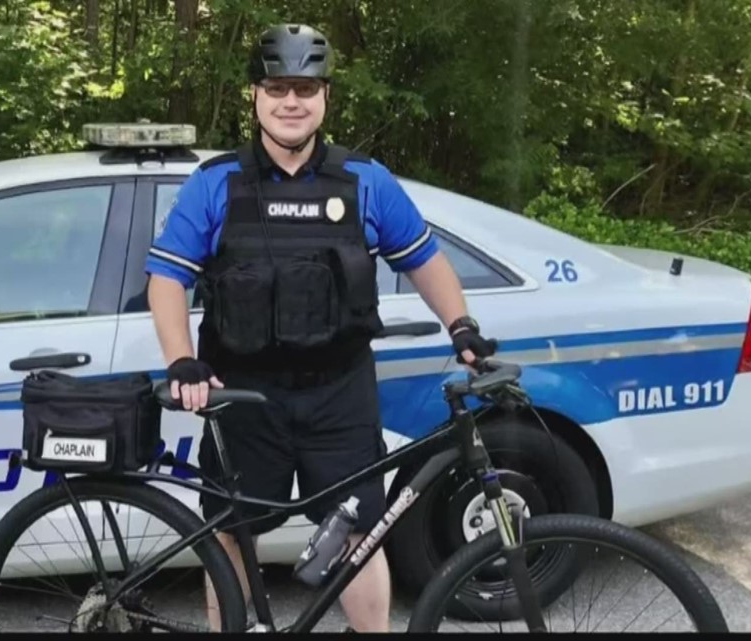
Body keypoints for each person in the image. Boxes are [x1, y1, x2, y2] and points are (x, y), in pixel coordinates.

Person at [144, 23, 495, 633]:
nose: (291, 101)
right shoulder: (215, 184)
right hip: (245, 393)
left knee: (360, 532)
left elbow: (425, 260)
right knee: (229, 530)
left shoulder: (365, 183)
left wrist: (461, 325)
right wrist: (181, 361)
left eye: (305, 88)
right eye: (278, 87)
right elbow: (166, 279)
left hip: (341, 393)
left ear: (325, 98)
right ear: (254, 95)